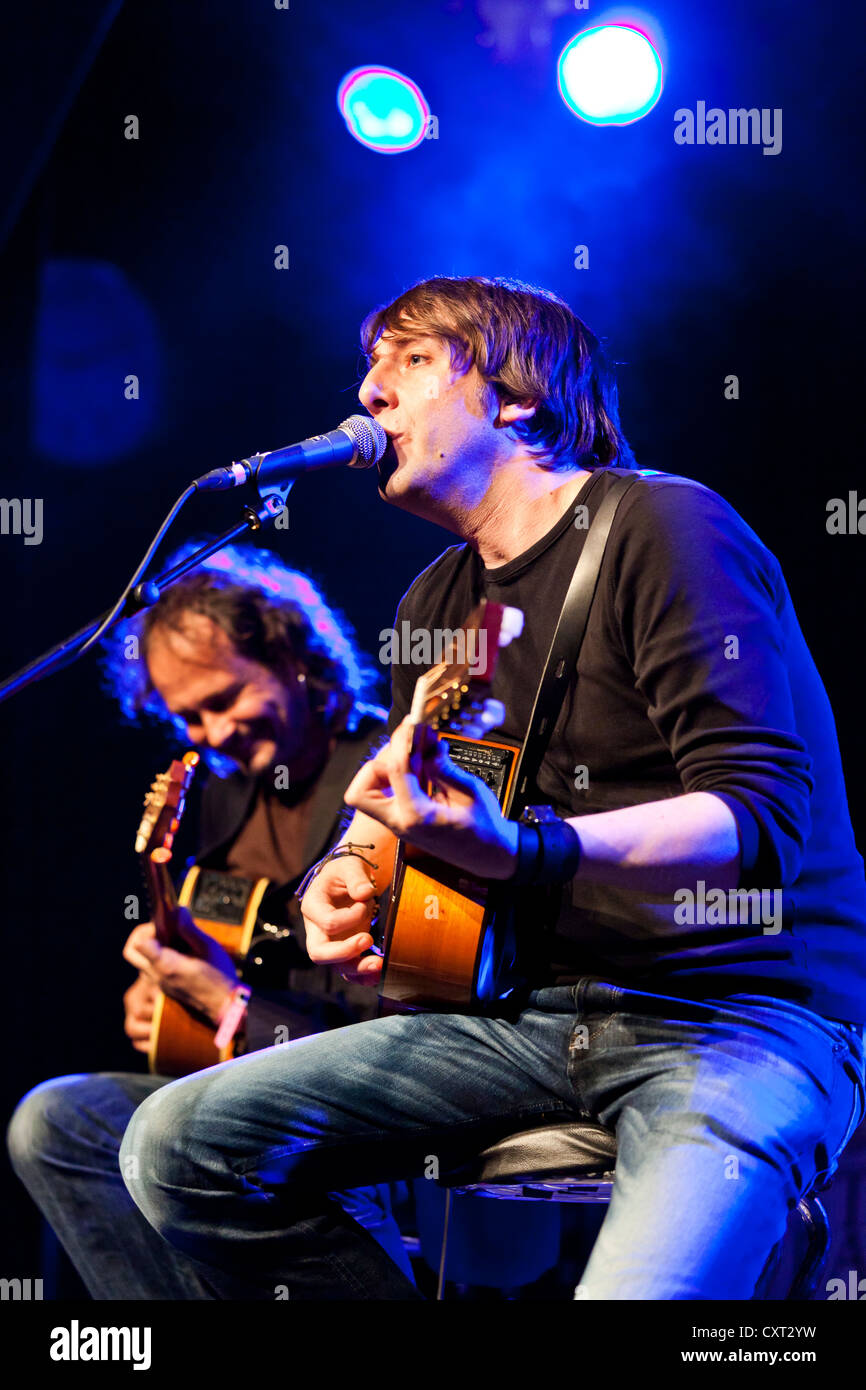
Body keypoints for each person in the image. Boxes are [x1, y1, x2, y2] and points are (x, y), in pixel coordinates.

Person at [115, 275, 866, 1300]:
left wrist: (528, 849)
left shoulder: (664, 526)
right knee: (175, 1143)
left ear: (516, 397)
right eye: (368, 368)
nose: (371, 393)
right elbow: (406, 818)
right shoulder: (433, 600)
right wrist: (341, 874)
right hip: (520, 1018)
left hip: (737, 1016)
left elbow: (757, 817)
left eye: (409, 361)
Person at [7, 543, 415, 1297]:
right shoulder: (223, 791)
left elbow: (393, 1025)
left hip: (362, 1108)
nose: (209, 735)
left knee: (184, 1144)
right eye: (186, 716)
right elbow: (231, 946)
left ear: (295, 658)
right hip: (235, 1096)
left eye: (225, 701)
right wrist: (167, 1001)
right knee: (53, 1120)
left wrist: (225, 1004)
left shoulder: (384, 781)